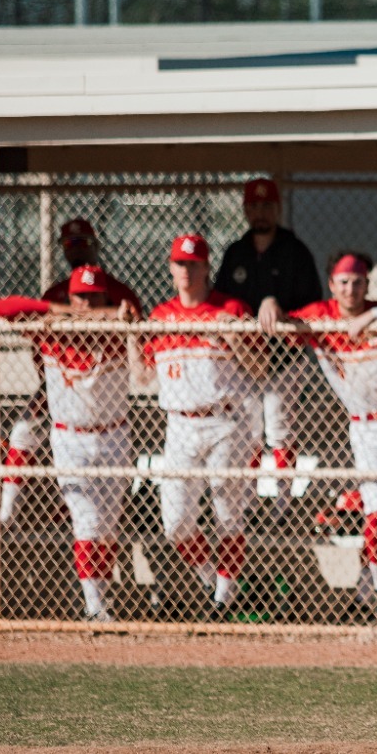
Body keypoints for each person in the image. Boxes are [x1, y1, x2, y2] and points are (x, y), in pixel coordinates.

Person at [263, 252, 377, 615]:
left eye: (358, 281)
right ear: (331, 285)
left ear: (367, 284)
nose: (351, 289)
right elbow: (283, 320)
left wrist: (376, 316)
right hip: (365, 427)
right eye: (343, 282)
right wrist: (270, 301)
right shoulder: (321, 316)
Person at [0, 265, 143, 621]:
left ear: (106, 297)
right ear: (69, 297)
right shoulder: (51, 329)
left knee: (107, 526)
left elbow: (137, 325)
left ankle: (99, 603)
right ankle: (94, 607)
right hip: (70, 438)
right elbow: (3, 307)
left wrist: (118, 318)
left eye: (93, 297)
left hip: (115, 436)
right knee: (86, 521)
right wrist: (58, 312)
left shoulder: (119, 328)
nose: (86, 305)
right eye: (80, 297)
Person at [143, 234, 267, 614]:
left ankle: (224, 599)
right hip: (179, 424)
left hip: (225, 422)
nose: (186, 270)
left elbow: (260, 368)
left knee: (228, 512)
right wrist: (133, 339)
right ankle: (213, 579)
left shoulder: (229, 307)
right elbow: (143, 375)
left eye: (194, 263)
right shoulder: (160, 317)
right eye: (180, 263)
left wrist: (235, 338)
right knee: (175, 522)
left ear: (206, 266)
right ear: (170, 267)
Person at [0, 217, 144, 527]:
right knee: (23, 431)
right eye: (69, 245)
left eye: (82, 244)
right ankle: (5, 512)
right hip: (59, 382)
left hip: (104, 385)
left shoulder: (116, 289)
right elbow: (6, 308)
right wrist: (65, 313)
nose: (75, 251)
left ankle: (77, 508)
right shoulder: (59, 292)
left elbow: (132, 321)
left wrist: (90, 317)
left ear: (95, 246)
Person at [212, 177, 322, 508]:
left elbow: (313, 304)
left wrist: (279, 308)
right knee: (247, 430)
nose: (260, 213)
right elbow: (222, 300)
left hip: (284, 357)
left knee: (279, 429)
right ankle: (248, 503)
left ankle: (282, 506)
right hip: (244, 358)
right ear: (246, 210)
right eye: (254, 206)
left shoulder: (295, 250)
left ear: (278, 209)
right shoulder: (236, 252)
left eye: (267, 206)